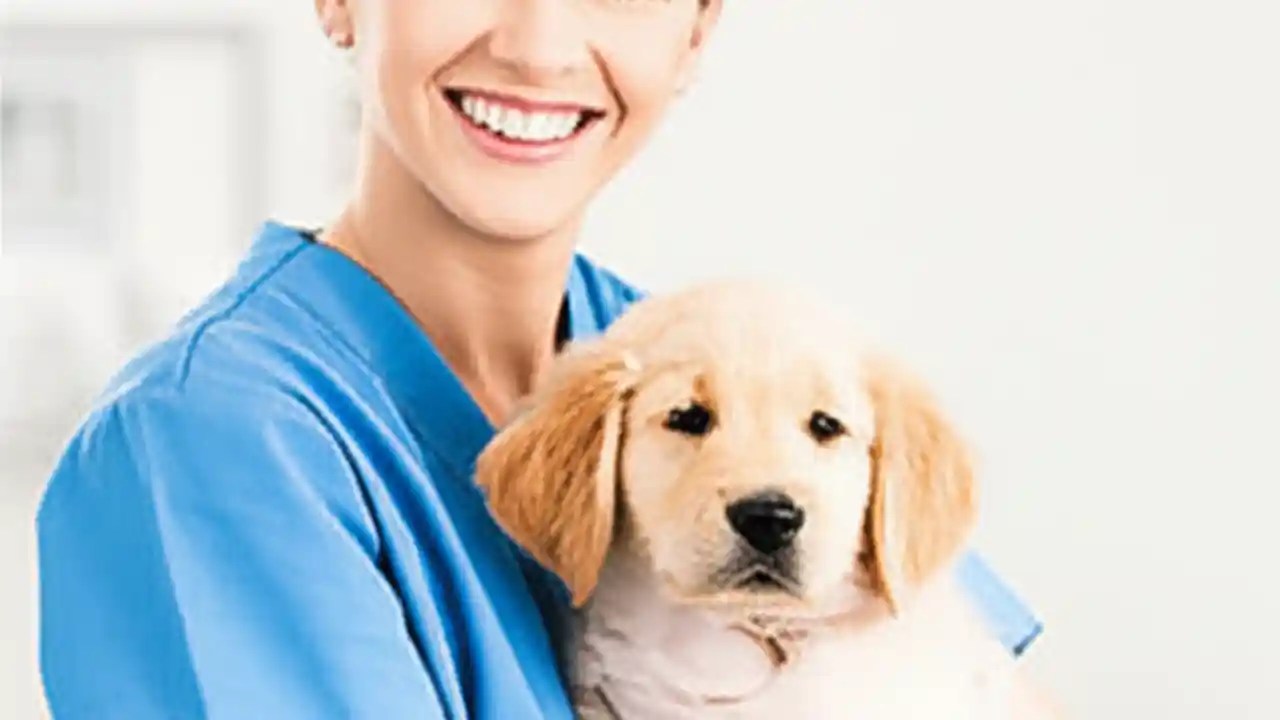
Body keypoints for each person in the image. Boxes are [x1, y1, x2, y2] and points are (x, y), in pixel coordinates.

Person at [36, 1, 1047, 718]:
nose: (537, 44)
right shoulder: (210, 449)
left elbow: (983, 680)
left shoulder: (710, 365)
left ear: (696, 26)